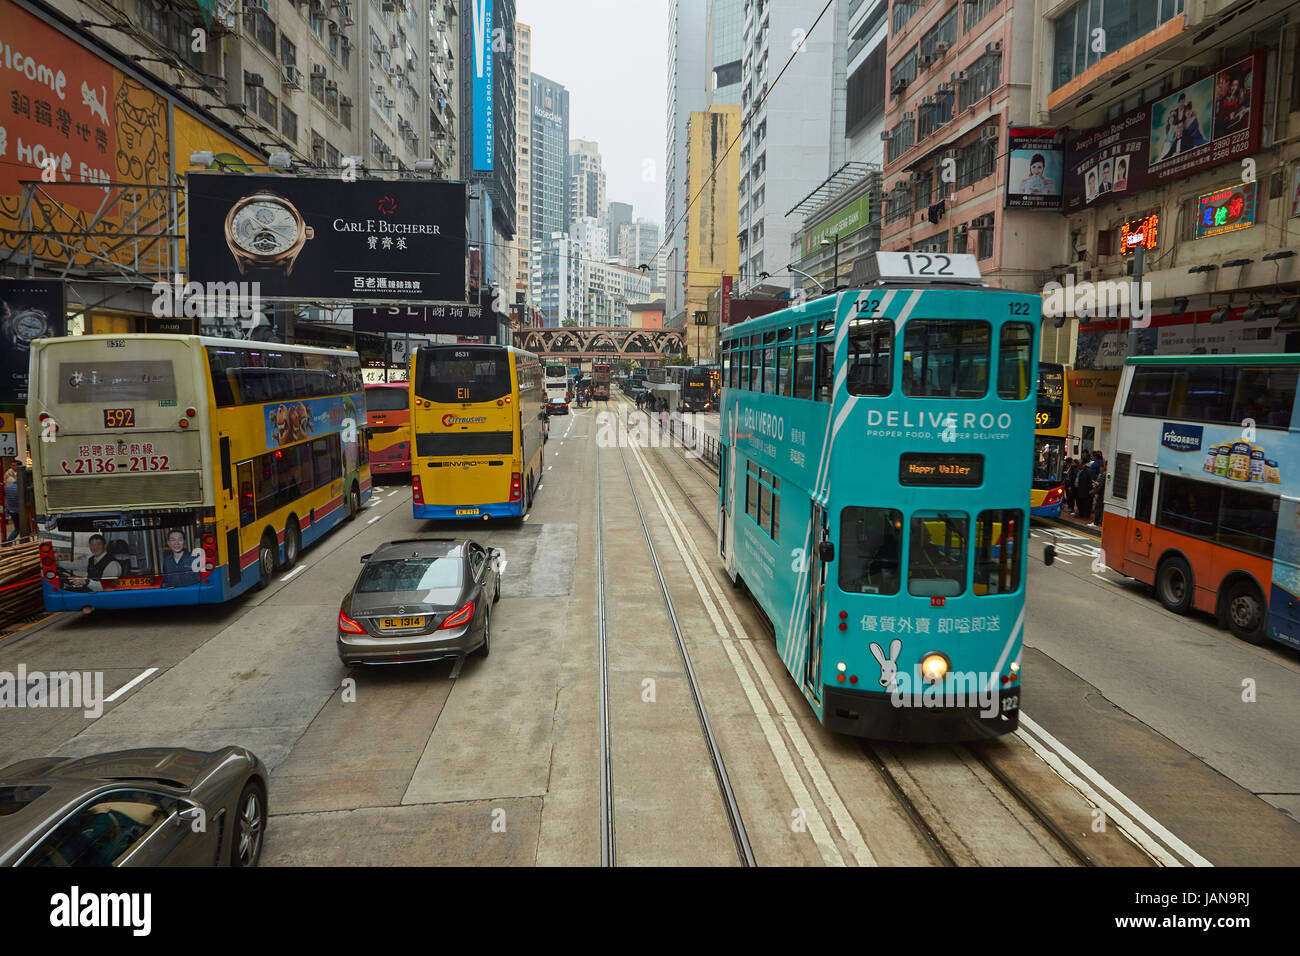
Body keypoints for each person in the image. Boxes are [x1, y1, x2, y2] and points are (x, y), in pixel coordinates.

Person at [4, 466, 18, 543]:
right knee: (18, 528)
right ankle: (9, 541)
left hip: (12, 510)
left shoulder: (7, 488)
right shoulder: (17, 487)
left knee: (17, 527)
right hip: (18, 510)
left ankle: (9, 541)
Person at [1092, 457, 1107, 526]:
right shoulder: (1102, 473)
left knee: (1098, 508)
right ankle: (1098, 522)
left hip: (1100, 494)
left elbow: (1101, 485)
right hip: (1101, 493)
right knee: (1099, 508)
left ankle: (1096, 522)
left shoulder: (1104, 474)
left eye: (1102, 467)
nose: (1100, 468)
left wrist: (1096, 492)